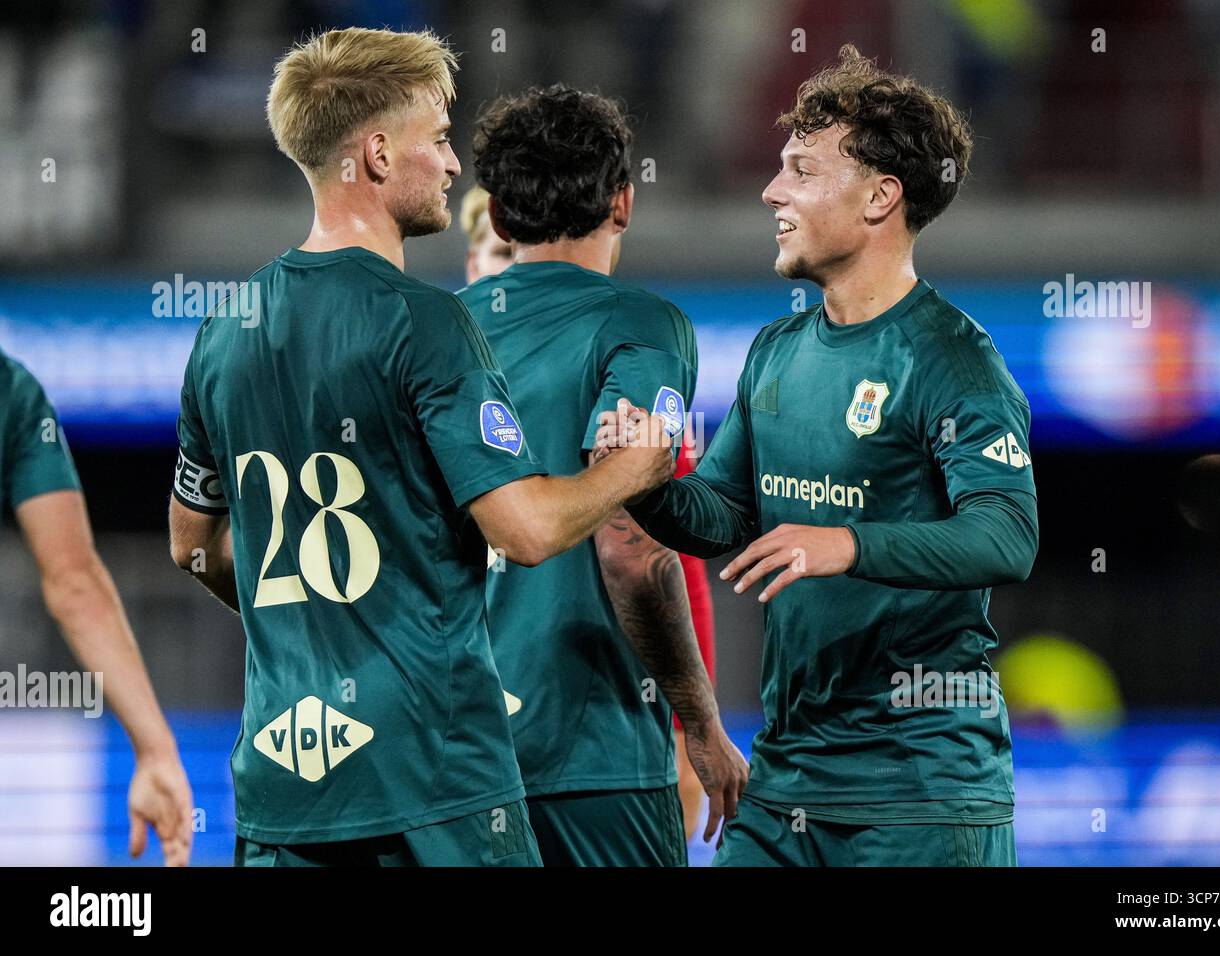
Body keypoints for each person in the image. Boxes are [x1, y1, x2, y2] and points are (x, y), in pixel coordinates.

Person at [167, 28, 673, 867]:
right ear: (374, 153)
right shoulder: (428, 322)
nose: (450, 166)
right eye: (436, 139)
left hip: (283, 788)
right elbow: (527, 530)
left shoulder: (224, 331)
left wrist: (310, 620)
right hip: (434, 784)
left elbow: (190, 547)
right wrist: (635, 466)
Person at [597, 46, 1038, 866]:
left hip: (922, 789)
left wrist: (847, 543)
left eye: (800, 170)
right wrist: (647, 477)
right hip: (790, 776)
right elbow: (720, 512)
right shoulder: (776, 351)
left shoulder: (953, 360)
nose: (772, 191)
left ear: (880, 197)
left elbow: (1007, 536)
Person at [459, 85, 745, 866]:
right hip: (594, 762)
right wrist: (700, 724)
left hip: (450, 767)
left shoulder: (430, 337)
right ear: (623, 203)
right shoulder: (642, 326)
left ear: (505, 219)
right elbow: (629, 546)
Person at [1, 348, 192, 865]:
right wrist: (155, 749)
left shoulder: (13, 396)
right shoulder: (12, 392)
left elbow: (75, 584)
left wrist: (155, 747)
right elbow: (74, 585)